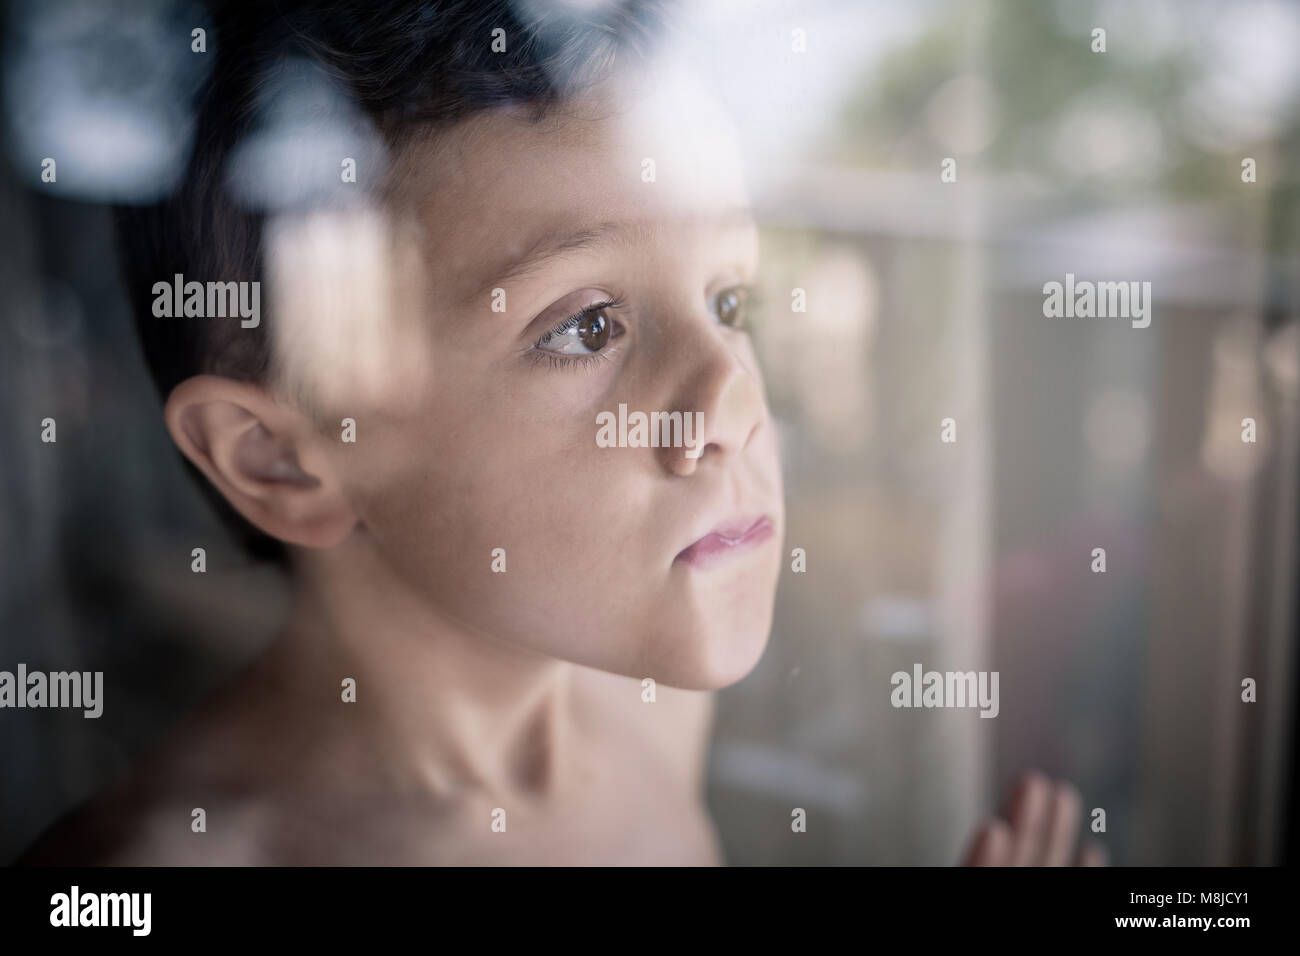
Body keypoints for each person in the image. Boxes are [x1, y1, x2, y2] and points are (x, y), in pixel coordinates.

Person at [16, 0, 1103, 866]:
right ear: (284, 457)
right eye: (586, 325)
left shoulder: (645, 705)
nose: (730, 399)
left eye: (730, 301)